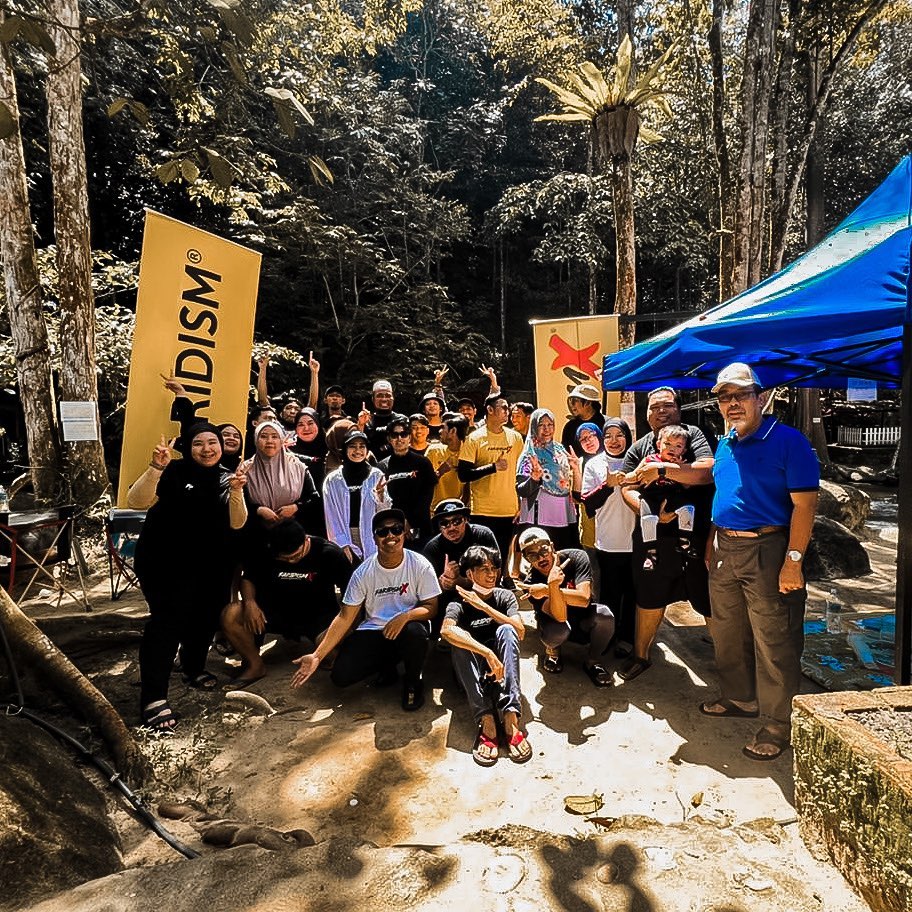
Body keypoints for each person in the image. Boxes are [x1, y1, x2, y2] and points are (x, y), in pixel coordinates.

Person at [700, 363, 819, 761]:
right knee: (728, 631)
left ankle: (776, 724)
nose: (732, 403)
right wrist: (711, 544)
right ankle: (739, 697)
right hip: (725, 550)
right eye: (724, 397)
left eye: (740, 394)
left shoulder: (789, 441)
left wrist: (793, 562)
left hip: (769, 549)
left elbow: (805, 505)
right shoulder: (726, 442)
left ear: (760, 397)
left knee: (775, 639)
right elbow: (718, 489)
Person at [127, 424, 248, 731]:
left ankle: (193, 668)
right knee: (167, 622)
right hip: (163, 562)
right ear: (189, 448)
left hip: (210, 564)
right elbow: (136, 501)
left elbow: (237, 523)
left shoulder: (227, 477)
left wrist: (236, 491)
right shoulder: (174, 470)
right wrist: (156, 467)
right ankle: (153, 698)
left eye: (213, 442)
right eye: (198, 444)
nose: (207, 449)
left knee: (206, 618)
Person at [291, 508, 440, 711]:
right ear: (375, 538)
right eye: (382, 532)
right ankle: (388, 667)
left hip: (408, 628)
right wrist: (317, 655)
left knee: (415, 633)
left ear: (404, 532)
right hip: (373, 630)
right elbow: (345, 617)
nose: (390, 536)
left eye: (396, 529)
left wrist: (405, 616)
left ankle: (413, 681)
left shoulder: (420, 565)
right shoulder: (363, 573)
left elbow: (431, 608)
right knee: (341, 677)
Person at [618, 386, 716, 682]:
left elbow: (707, 471)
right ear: (647, 414)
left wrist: (662, 470)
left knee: (710, 599)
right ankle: (641, 655)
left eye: (668, 406)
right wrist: (649, 513)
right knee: (648, 597)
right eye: (655, 407)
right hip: (653, 540)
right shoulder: (640, 447)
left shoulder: (693, 436)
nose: (661, 411)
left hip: (695, 535)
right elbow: (627, 487)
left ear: (678, 409)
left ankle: (730, 663)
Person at [221, 520, 353, 686]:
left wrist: (347, 627)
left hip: (317, 616)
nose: (291, 562)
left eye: (296, 556)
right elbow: (248, 578)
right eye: (286, 559)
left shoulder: (329, 553)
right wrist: (249, 603)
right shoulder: (265, 549)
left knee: (332, 654)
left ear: (306, 540)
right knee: (231, 615)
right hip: (272, 613)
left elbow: (353, 595)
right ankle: (255, 665)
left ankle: (326, 656)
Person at [441, 546, 531, 765]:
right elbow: (445, 630)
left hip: (501, 675)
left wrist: (484, 607)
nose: (492, 574)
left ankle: (510, 715)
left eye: (495, 568)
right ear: (470, 574)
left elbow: (520, 631)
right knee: (459, 639)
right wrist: (486, 652)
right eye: (484, 569)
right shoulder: (458, 600)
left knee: (508, 630)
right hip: (473, 675)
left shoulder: (505, 596)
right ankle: (486, 718)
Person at [515, 527, 613, 687]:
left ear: (552, 547)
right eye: (532, 555)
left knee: (605, 617)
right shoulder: (531, 582)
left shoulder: (576, 557)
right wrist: (553, 584)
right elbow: (560, 617)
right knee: (559, 630)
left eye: (543, 550)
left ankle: (593, 660)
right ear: (527, 559)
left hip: (582, 616)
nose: (541, 558)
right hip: (555, 623)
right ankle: (553, 651)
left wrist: (547, 589)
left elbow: (584, 599)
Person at [579, 419, 636, 653]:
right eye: (608, 435)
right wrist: (607, 485)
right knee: (610, 595)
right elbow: (588, 504)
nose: (614, 440)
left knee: (632, 596)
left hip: (637, 542)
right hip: (608, 543)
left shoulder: (637, 461)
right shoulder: (594, 464)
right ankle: (608, 638)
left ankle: (628, 639)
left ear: (628, 437)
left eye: (619, 435)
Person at [458, 393, 524, 565]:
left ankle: (504, 580)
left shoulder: (515, 437)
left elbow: (521, 472)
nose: (507, 411)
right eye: (503, 407)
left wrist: (521, 503)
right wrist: (492, 467)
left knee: (504, 551)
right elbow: (464, 474)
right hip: (482, 510)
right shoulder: (474, 438)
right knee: (484, 556)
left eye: (508, 407)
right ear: (489, 410)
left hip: (509, 508)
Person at [622, 424, 698, 566]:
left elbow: (687, 486)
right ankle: (650, 553)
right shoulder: (649, 460)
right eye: (667, 443)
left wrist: (679, 470)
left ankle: (684, 542)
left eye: (678, 446)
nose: (672, 449)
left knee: (688, 510)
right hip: (652, 496)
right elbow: (636, 476)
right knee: (648, 520)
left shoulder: (681, 465)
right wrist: (624, 478)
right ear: (658, 444)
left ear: (684, 450)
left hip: (671, 495)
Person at [423, 498, 499, 633]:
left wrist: (461, 582)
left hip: (483, 593)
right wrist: (443, 583)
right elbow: (426, 590)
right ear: (439, 527)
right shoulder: (432, 548)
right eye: (445, 523)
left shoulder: (483, 535)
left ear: (466, 520)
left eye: (456, 521)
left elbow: (496, 575)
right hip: (448, 598)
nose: (451, 527)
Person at [323, 429, 392, 562]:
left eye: (362, 446)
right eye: (352, 446)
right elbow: (331, 514)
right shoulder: (332, 480)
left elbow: (384, 512)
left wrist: (380, 496)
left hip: (372, 536)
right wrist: (342, 543)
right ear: (344, 449)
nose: (358, 450)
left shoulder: (376, 475)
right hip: (345, 534)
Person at [243, 421, 321, 537]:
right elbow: (239, 502)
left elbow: (313, 498)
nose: (269, 441)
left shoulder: (297, 466)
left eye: (275, 436)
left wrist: (295, 507)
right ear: (256, 440)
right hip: (258, 535)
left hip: (293, 534)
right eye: (263, 436)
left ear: (282, 441)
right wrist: (258, 510)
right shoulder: (245, 469)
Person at [516, 408, 577, 550]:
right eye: (541, 425)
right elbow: (521, 490)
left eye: (550, 425)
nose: (546, 429)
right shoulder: (529, 454)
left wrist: (576, 467)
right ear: (533, 427)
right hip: (540, 515)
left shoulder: (560, 449)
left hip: (563, 512)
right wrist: (534, 479)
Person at [379, 415, 438, 549]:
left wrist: (410, 522)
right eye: (394, 435)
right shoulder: (382, 467)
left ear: (409, 437)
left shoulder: (423, 463)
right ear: (389, 439)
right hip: (393, 528)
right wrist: (401, 521)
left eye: (403, 434)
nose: (399, 439)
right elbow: (383, 500)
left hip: (420, 525)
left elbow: (426, 496)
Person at [425, 414, 469, 511]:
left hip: (459, 510)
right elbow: (423, 482)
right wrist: (440, 472)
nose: (439, 431)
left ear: (453, 431)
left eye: (443, 428)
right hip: (435, 511)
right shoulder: (433, 451)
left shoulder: (469, 452)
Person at [290, 407, 329, 492]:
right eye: (300, 425)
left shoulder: (330, 446)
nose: (306, 428)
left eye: (310, 423)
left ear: (318, 424)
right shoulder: (288, 450)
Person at [561, 384, 605, 455]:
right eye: (570, 400)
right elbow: (566, 454)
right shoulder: (569, 427)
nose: (572, 404)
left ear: (588, 402)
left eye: (575, 401)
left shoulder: (606, 423)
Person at [362, 379, 397, 457]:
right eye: (380, 396)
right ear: (373, 399)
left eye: (388, 395)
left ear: (393, 398)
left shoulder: (402, 420)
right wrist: (361, 425)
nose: (384, 399)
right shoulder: (366, 421)